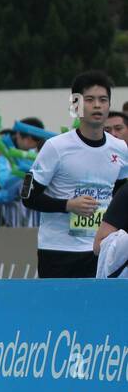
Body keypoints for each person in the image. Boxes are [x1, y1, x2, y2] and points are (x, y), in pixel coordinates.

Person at [23, 70, 128, 277]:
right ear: (75, 105)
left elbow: (121, 196)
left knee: (99, 309)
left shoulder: (121, 149)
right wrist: (68, 205)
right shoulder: (55, 147)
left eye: (103, 100)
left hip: (100, 250)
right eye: (89, 99)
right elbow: (28, 197)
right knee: (58, 310)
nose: (97, 105)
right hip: (58, 250)